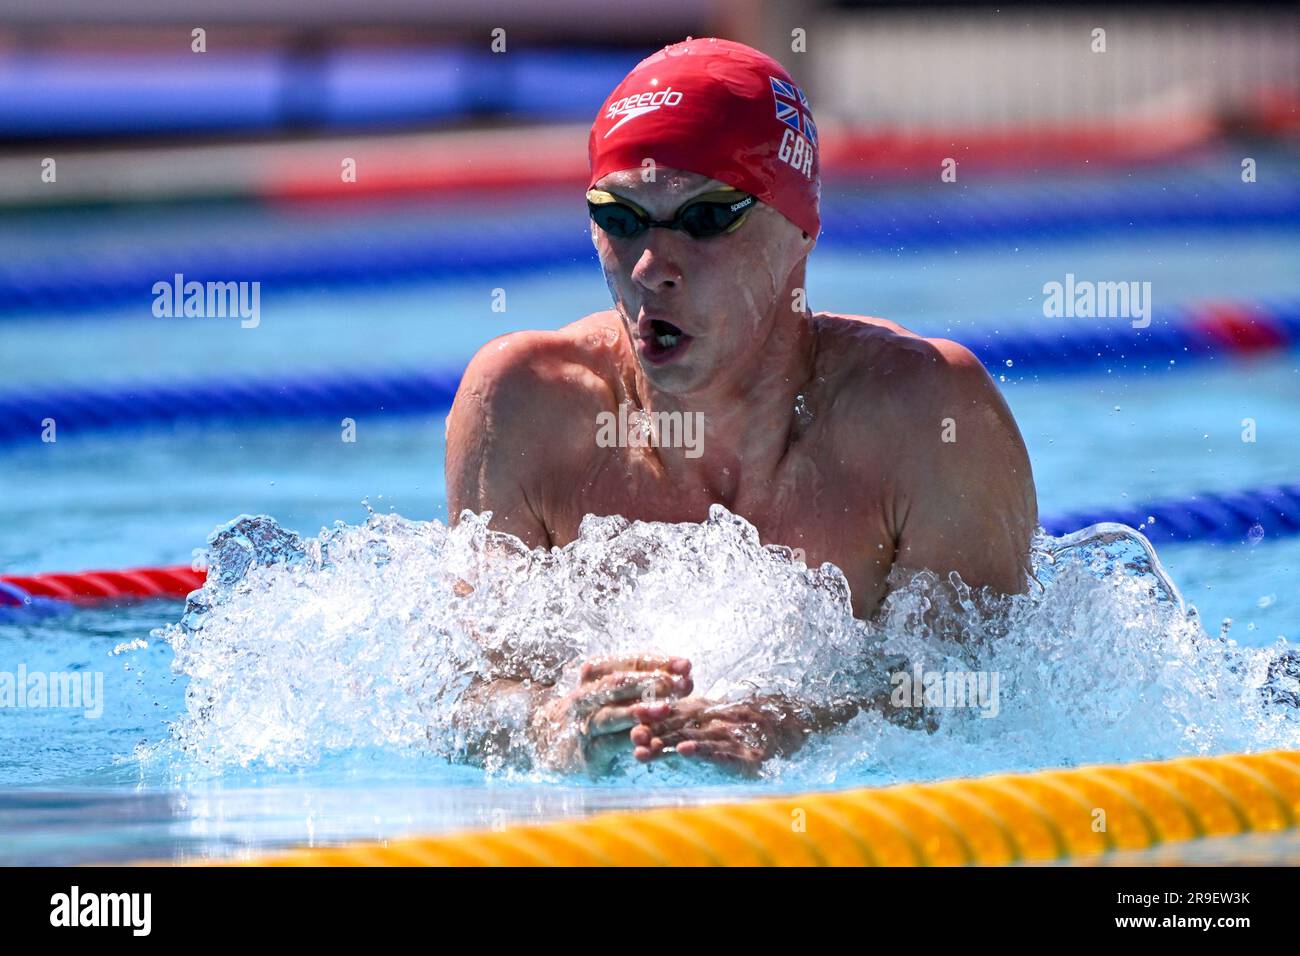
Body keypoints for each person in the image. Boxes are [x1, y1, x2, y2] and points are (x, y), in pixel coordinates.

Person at [446, 38, 1037, 773]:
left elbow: (992, 694)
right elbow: (469, 701)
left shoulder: (926, 417)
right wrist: (552, 725)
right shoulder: (526, 407)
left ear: (801, 229)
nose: (651, 267)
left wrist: (802, 727)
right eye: (621, 217)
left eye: (704, 218)